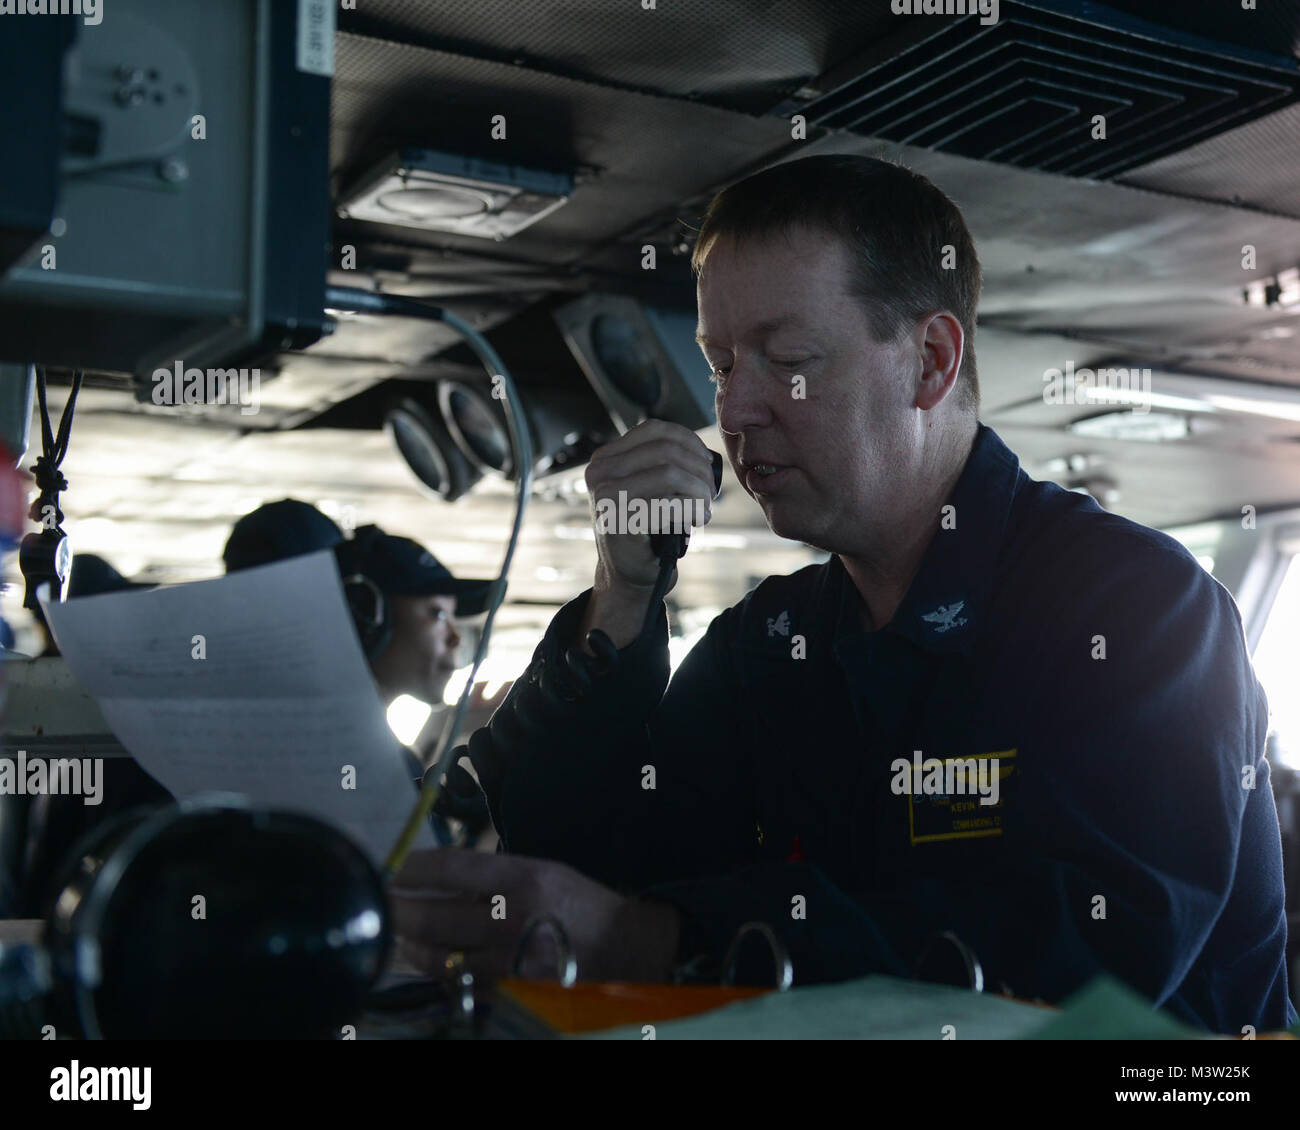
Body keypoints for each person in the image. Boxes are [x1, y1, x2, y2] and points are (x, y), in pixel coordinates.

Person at [389, 154, 1297, 1033]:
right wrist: (623, 594)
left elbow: (1091, 958)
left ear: (931, 362)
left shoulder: (1138, 609)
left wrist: (662, 941)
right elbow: (586, 873)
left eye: (787, 360)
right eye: (720, 364)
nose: (735, 411)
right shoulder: (768, 642)